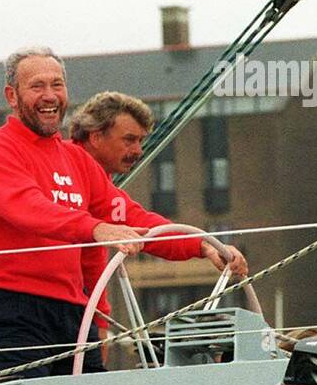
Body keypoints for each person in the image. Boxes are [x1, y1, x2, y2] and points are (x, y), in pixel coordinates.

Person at [0, 47, 243, 378]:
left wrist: (200, 243)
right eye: (37, 86)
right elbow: (27, 208)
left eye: (57, 85)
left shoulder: (77, 160)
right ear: (12, 96)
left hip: (72, 310)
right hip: (10, 307)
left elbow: (130, 217)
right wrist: (95, 228)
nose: (49, 96)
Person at [68, 91, 247, 328]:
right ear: (96, 137)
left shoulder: (100, 185)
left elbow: (142, 224)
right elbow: (140, 223)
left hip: (79, 309)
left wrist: (205, 245)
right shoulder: (65, 168)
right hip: (43, 310)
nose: (139, 151)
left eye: (141, 141)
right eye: (129, 140)